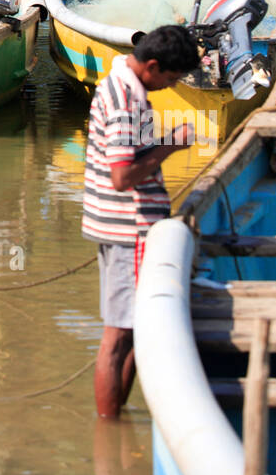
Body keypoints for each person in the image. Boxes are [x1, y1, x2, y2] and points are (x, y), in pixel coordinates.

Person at [82, 24, 200, 420]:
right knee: (118, 335)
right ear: (151, 66)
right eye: (170, 78)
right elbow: (122, 176)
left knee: (131, 330)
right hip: (127, 228)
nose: (170, 86)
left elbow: (129, 154)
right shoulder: (126, 99)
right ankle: (108, 431)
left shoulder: (123, 84)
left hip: (122, 225)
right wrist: (173, 145)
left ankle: (116, 422)